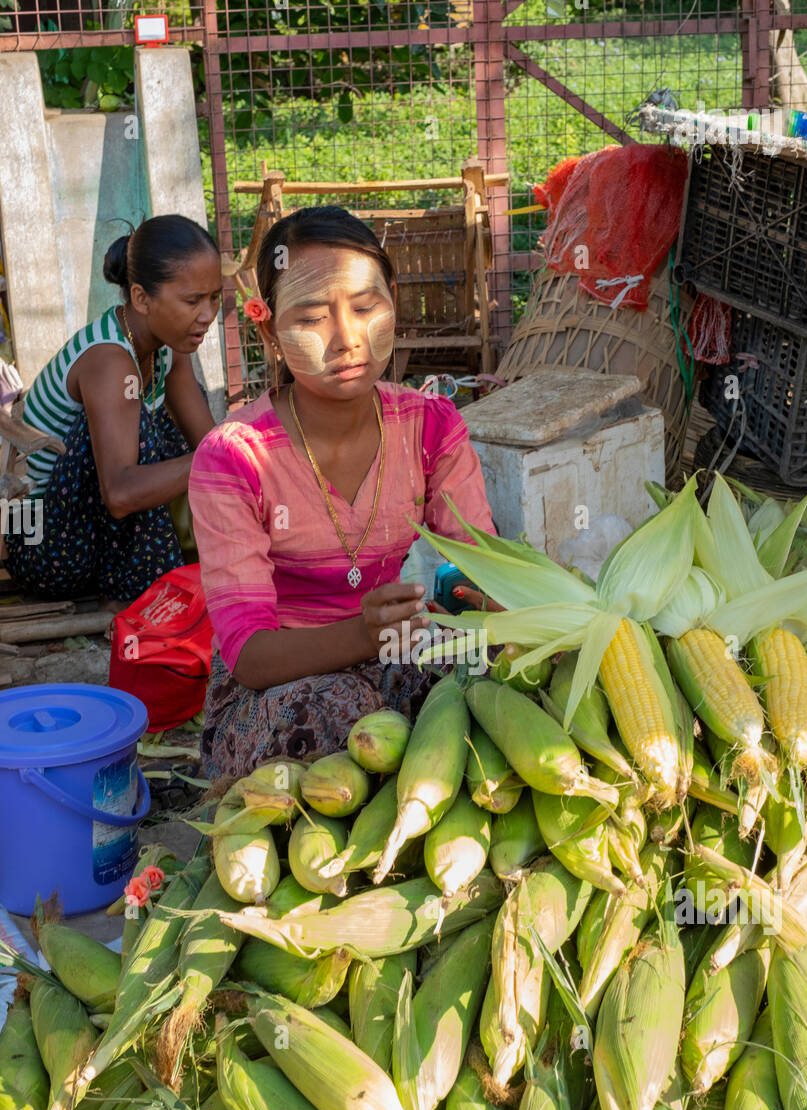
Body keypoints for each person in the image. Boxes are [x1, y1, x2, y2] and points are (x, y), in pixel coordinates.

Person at [188, 205, 497, 781]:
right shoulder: (234, 457)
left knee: (499, 683)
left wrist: (519, 610)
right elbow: (251, 657)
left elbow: (481, 566)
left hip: (396, 653)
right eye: (311, 318)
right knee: (335, 719)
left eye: (364, 307)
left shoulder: (432, 427)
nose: (347, 339)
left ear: (393, 301)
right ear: (269, 330)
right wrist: (363, 633)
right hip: (280, 688)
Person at [5, 215, 222, 603]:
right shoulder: (109, 359)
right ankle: (155, 578)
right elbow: (121, 493)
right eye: (192, 300)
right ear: (140, 298)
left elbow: (209, 442)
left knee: (198, 447)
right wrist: (220, 455)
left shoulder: (169, 347)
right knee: (150, 432)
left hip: (86, 534)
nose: (207, 314)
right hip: (38, 544)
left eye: (214, 297)